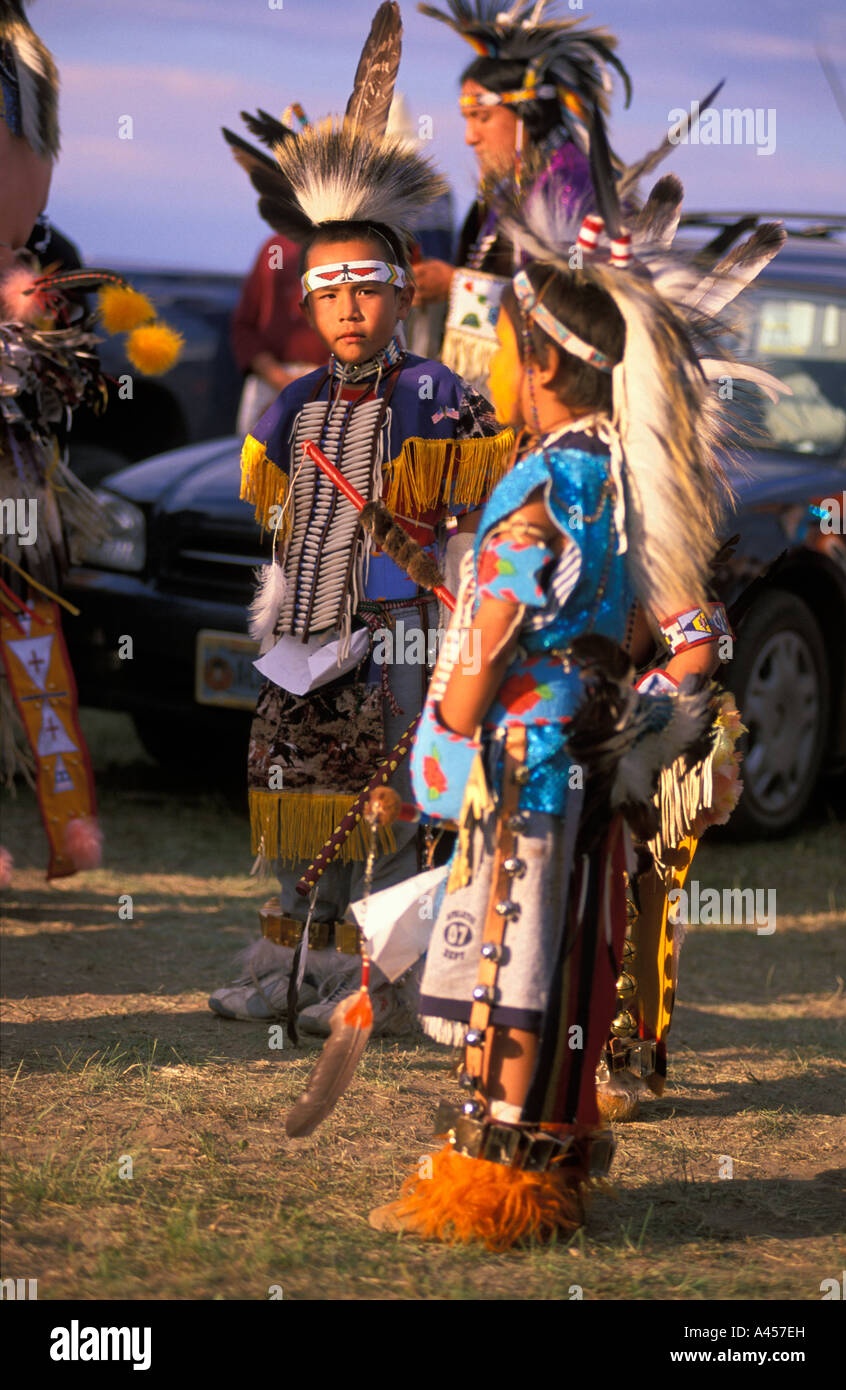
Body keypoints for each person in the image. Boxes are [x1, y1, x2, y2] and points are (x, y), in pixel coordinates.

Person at [364, 159, 787, 1248]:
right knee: (563, 961)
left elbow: (498, 619)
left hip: (527, 758)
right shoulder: (627, 479)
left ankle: (496, 1179)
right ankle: (553, 1165)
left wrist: (444, 731)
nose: (500, 366)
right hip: (590, 755)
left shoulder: (544, 478)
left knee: (515, 959)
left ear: (544, 361)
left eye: (508, 347)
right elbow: (620, 615)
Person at [207, 2, 514, 1035]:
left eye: (367, 287)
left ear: (400, 290)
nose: (346, 307)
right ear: (304, 298)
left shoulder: (439, 395)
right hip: (307, 633)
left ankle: (373, 983)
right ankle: (287, 966)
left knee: (389, 811)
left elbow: (476, 524)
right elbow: (279, 518)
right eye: (326, 288)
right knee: (300, 805)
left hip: (403, 638)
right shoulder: (293, 403)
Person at [0, 1, 181, 881]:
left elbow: (78, 378)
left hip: (23, 485)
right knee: (27, 643)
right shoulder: (48, 247)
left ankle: (65, 827)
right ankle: (57, 827)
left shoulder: (54, 253)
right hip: (23, 486)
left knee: (29, 643)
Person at [412, 0, 629, 393]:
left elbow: (573, 308)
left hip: (557, 394)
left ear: (529, 112)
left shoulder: (573, 187)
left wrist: (457, 285)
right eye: (466, 120)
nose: (470, 137)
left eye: (482, 117)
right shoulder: (508, 193)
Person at [231, 232, 326, 436]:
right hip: (269, 380)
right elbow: (244, 327)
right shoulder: (276, 248)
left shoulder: (348, 246)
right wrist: (280, 380)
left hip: (329, 384)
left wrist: (319, 383)